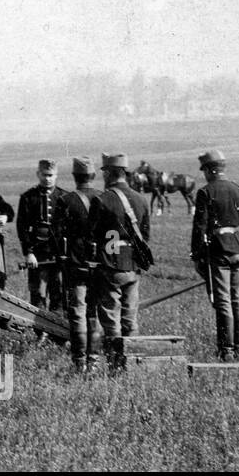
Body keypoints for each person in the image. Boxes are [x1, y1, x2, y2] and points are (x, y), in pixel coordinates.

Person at [88, 152, 152, 370]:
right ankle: (133, 363)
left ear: (108, 174)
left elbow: (93, 234)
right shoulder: (141, 199)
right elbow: (146, 235)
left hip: (110, 265)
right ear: (124, 173)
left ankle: (116, 364)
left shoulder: (102, 199)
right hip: (133, 266)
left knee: (110, 318)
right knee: (130, 317)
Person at [191, 149, 239, 361]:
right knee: (238, 299)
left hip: (219, 252)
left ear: (210, 170)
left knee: (223, 301)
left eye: (205, 171)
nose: (204, 175)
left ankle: (226, 351)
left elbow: (199, 228)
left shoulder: (205, 192)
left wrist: (197, 256)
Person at [56, 156, 103, 371]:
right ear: (93, 176)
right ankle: (94, 360)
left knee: (78, 312)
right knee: (95, 313)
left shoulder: (66, 200)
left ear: (74, 177)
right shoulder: (104, 198)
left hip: (75, 265)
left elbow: (57, 236)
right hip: (100, 265)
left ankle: (79, 362)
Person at [17, 159, 68, 320]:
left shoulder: (64, 197)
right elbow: (22, 227)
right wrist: (28, 253)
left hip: (59, 255)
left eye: (51, 175)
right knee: (38, 294)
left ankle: (58, 333)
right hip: (37, 255)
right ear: (38, 174)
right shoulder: (28, 197)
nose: (47, 178)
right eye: (44, 175)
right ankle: (40, 331)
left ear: (56, 176)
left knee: (59, 294)